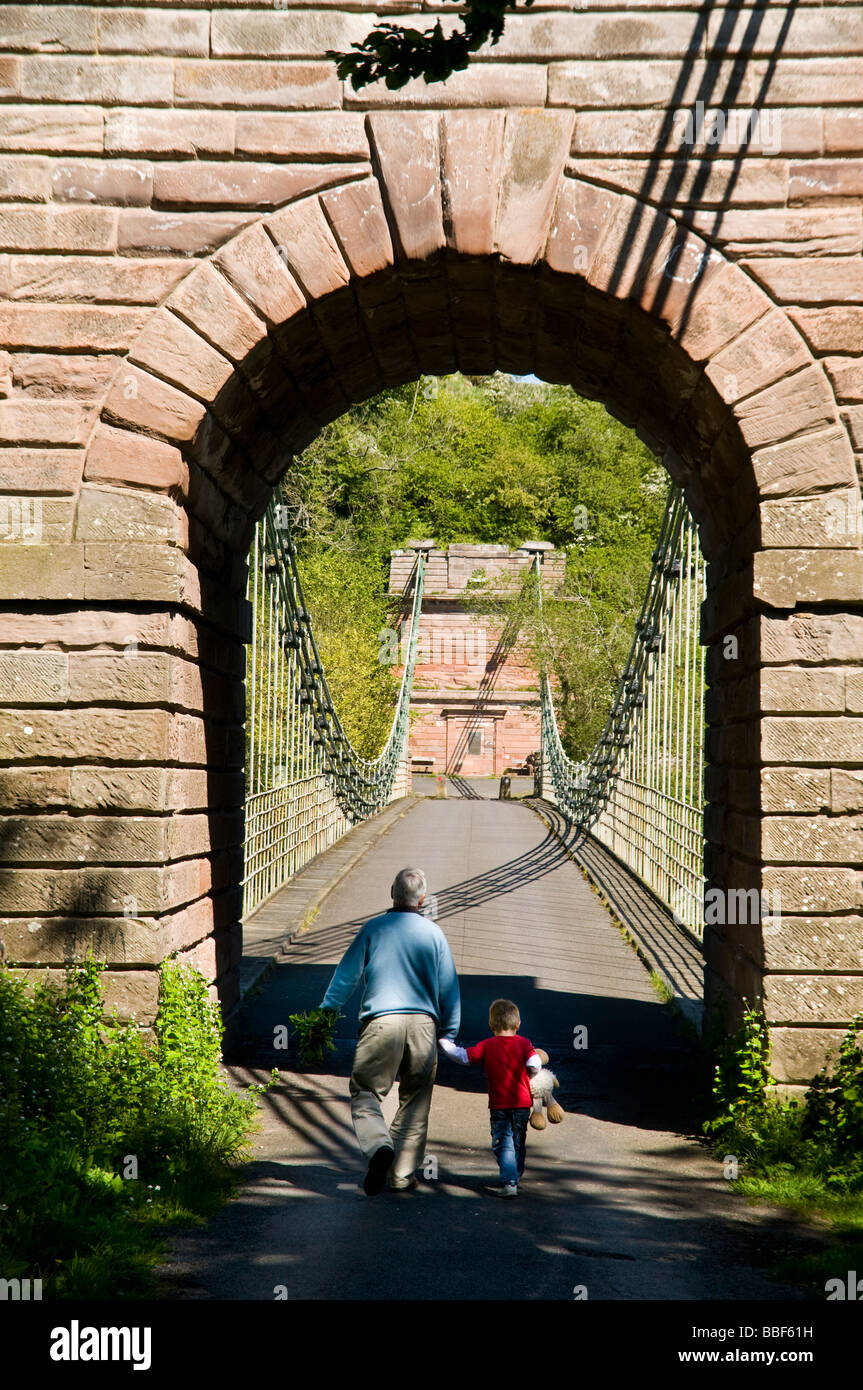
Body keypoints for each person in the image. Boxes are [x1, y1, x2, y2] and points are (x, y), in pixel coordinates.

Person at [318, 866, 460, 1196]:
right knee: (416, 1101)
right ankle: (402, 1175)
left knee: (366, 1092)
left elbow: (346, 977)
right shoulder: (434, 935)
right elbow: (449, 988)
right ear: (423, 899)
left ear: (391, 892)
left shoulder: (372, 929)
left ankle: (379, 1145)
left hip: (381, 1023)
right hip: (423, 1026)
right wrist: (449, 1032)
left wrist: (326, 1014)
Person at [438, 998, 541, 1199]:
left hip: (499, 1105)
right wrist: (530, 1073)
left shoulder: (488, 1045)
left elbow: (463, 1056)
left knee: (503, 1143)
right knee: (518, 1141)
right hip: (522, 1104)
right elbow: (535, 1063)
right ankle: (515, 1175)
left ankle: (509, 1181)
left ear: (491, 1025)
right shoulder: (524, 1044)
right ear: (518, 1025)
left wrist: (444, 1043)